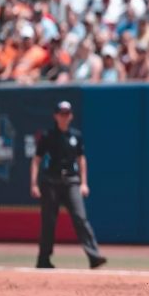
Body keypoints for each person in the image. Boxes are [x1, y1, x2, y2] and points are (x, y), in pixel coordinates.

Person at [30, 101, 107, 269]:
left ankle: (94, 256)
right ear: (55, 116)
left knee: (80, 217)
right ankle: (43, 259)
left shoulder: (75, 136)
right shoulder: (47, 136)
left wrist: (84, 183)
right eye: (61, 113)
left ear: (71, 116)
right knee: (48, 222)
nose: (64, 117)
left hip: (71, 181)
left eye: (67, 114)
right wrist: (34, 184)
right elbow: (36, 160)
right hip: (51, 181)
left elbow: (81, 160)